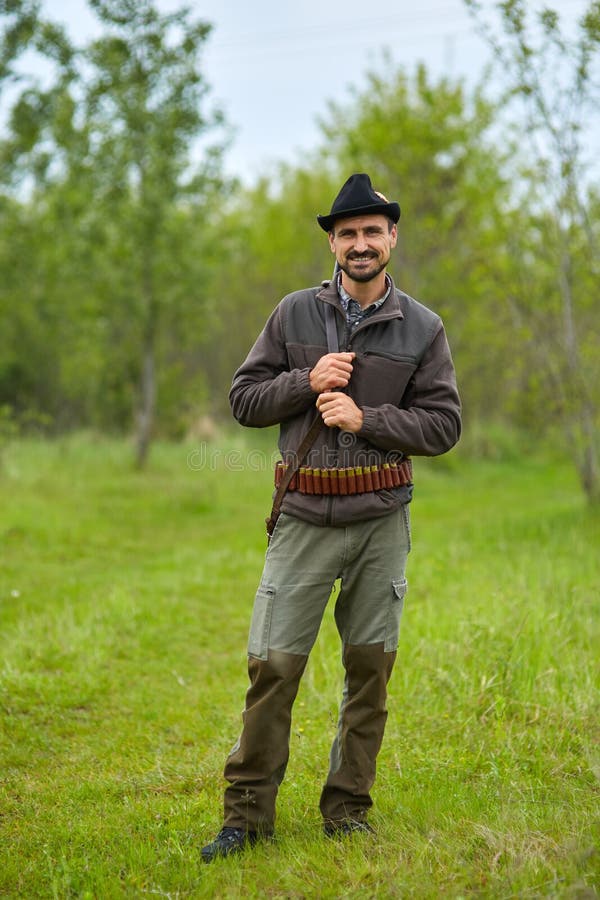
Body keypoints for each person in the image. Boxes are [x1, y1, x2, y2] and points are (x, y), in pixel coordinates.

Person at [201, 173, 461, 862]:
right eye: (348, 233)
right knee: (274, 667)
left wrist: (367, 418)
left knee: (369, 671)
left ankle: (347, 811)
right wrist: (305, 381)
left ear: (392, 238)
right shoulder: (291, 316)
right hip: (305, 519)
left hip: (381, 522)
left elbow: (443, 426)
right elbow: (244, 399)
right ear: (333, 243)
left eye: (372, 231)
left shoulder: (424, 327)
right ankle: (247, 818)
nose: (361, 244)